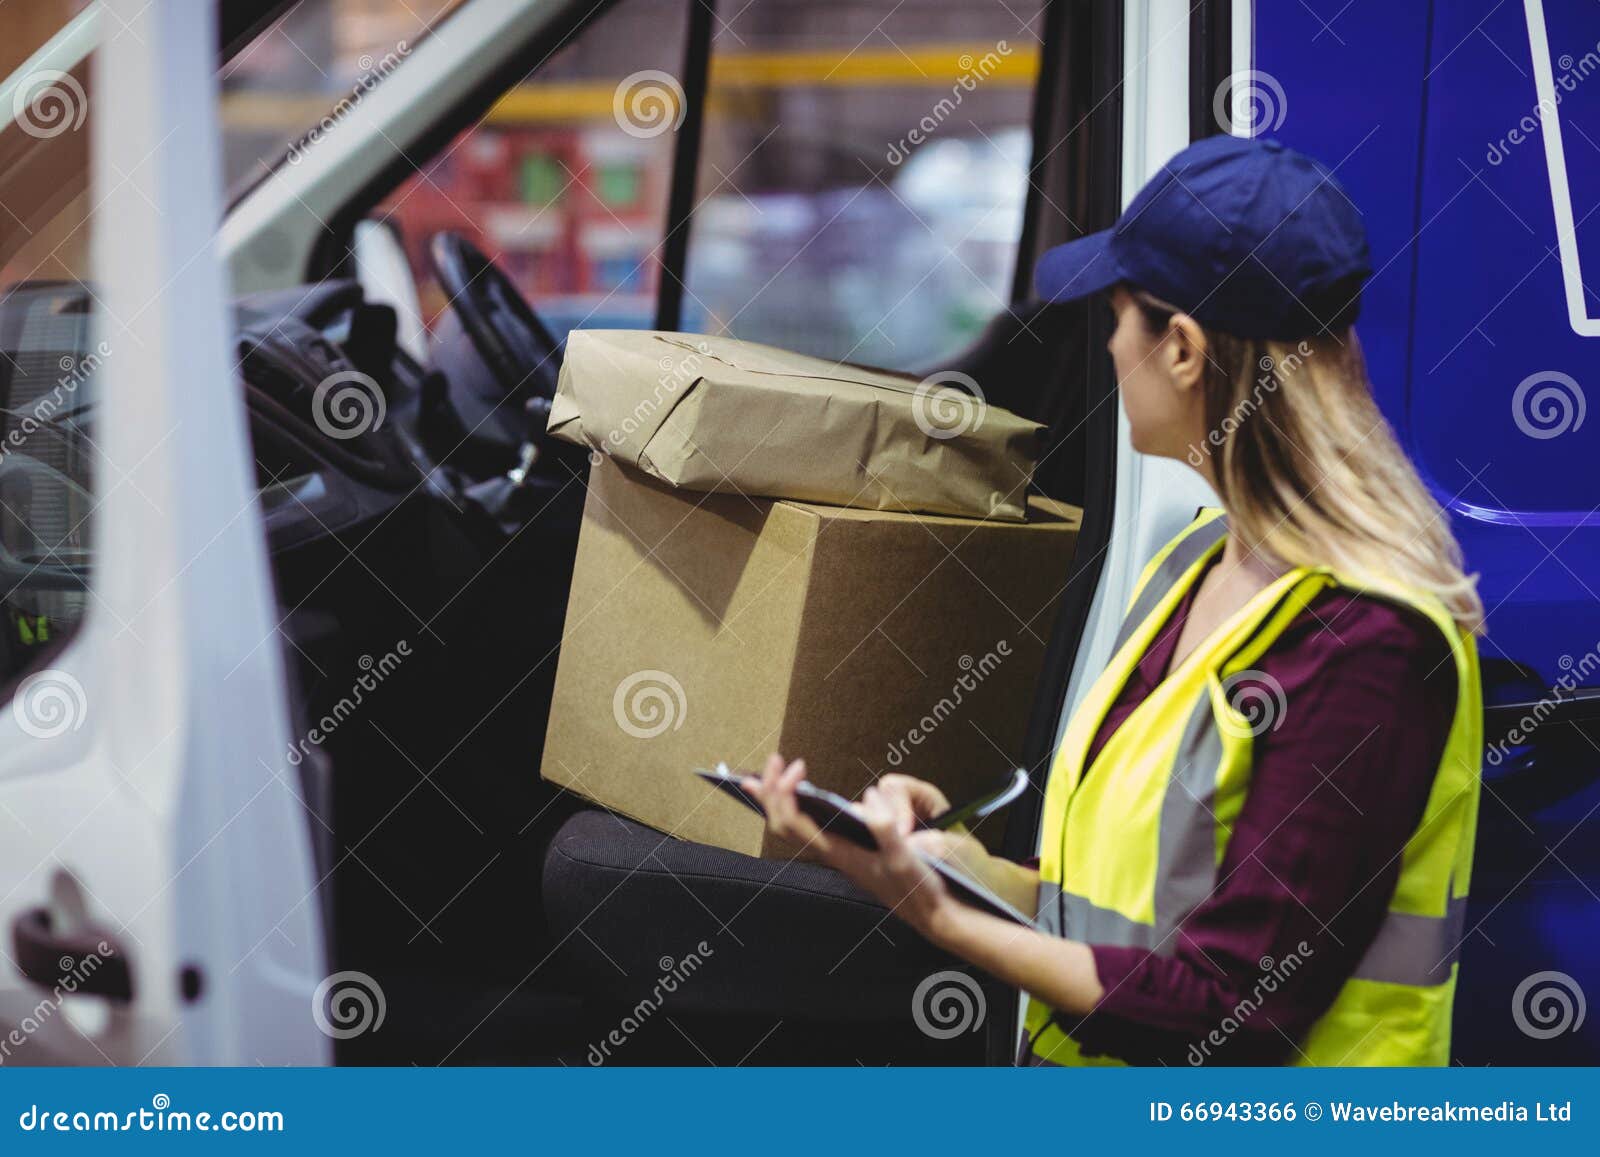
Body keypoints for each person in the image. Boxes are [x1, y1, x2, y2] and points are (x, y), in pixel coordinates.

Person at [747, 135, 1484, 1067]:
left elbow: (1233, 1009)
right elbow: (1132, 915)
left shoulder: (1362, 643)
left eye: (1118, 316)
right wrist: (966, 870)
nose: (1104, 344)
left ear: (1183, 349)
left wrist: (945, 921)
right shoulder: (1193, 569)